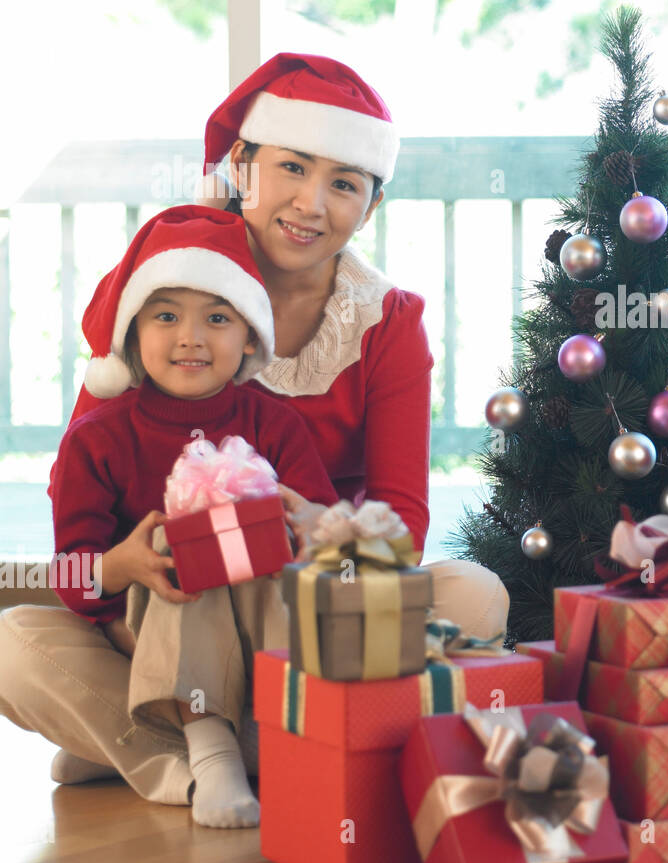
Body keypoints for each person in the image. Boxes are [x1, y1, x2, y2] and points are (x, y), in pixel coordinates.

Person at [0, 54, 509, 799]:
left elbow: (401, 524)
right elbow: (84, 477)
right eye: (293, 168)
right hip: (156, 605)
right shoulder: (169, 276)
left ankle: (142, 742)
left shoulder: (387, 322)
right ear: (242, 164)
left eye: (343, 183)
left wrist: (319, 527)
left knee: (475, 597)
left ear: (370, 204)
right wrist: (132, 569)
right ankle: (258, 744)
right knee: (13, 642)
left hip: (301, 601)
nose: (310, 203)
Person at [16, 207, 336, 822]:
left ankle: (126, 745)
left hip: (261, 634)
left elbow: (322, 537)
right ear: (134, 335)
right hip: (137, 636)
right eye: (167, 316)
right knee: (179, 566)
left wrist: (313, 523)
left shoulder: (275, 426)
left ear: (249, 337)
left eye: (217, 318)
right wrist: (125, 565)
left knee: (221, 553)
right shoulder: (97, 438)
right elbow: (70, 577)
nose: (191, 336)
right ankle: (213, 752)